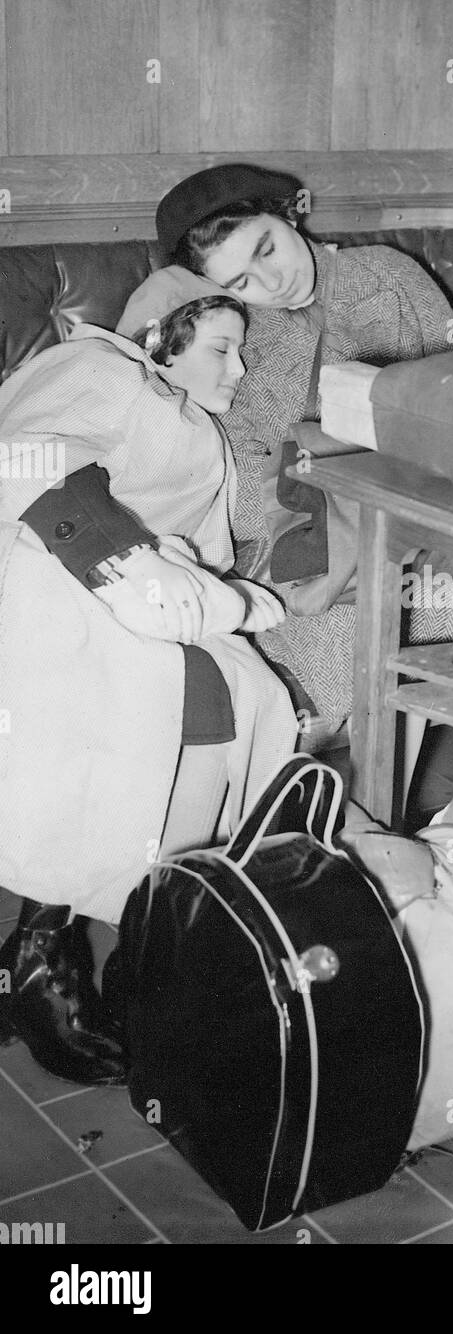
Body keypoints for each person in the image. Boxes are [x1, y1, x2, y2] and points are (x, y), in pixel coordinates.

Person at [155, 162, 453, 780]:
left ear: (289, 214)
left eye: (268, 248)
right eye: (241, 281)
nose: (272, 281)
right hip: (309, 553)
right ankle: (370, 818)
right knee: (381, 624)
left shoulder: (388, 280)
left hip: (431, 519)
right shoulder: (235, 341)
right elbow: (239, 487)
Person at [0, 268, 298, 1085]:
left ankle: (135, 956)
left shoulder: (189, 419)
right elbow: (37, 466)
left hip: (137, 601)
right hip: (47, 583)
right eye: (221, 348)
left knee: (231, 710)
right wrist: (136, 575)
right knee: (175, 709)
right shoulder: (96, 370)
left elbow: (198, 548)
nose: (239, 370)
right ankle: (48, 960)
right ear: (160, 334)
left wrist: (224, 594)